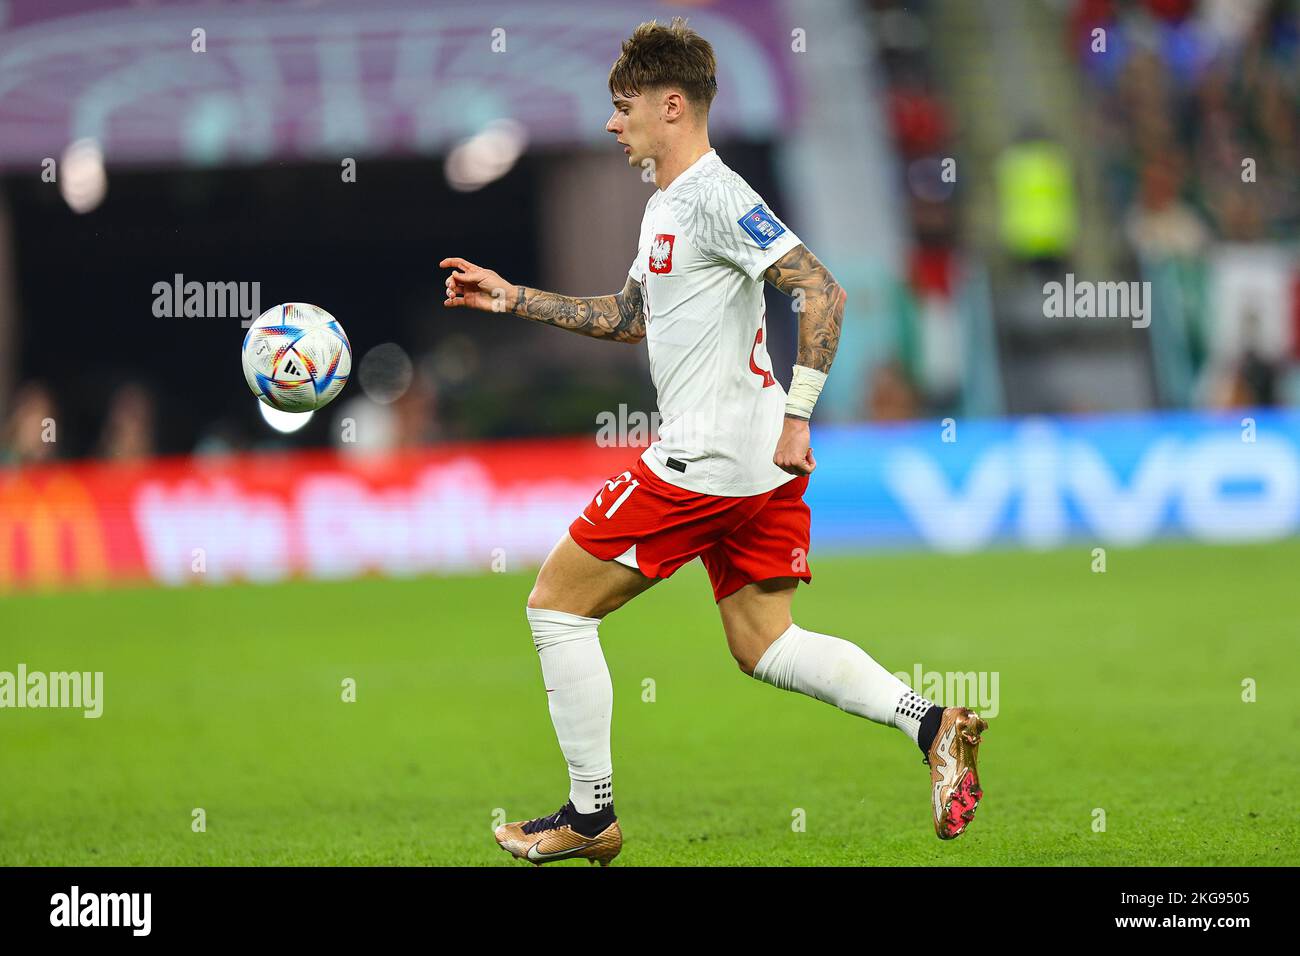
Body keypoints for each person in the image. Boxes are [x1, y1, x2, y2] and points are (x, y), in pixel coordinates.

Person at [440, 18, 987, 866]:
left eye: (623, 108)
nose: (611, 125)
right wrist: (513, 299)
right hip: (750, 459)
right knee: (763, 641)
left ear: (671, 104)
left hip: (716, 454)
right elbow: (627, 320)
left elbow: (822, 292)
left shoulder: (715, 196)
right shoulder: (667, 205)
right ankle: (933, 723)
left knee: (554, 605)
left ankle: (590, 819)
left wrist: (803, 413)